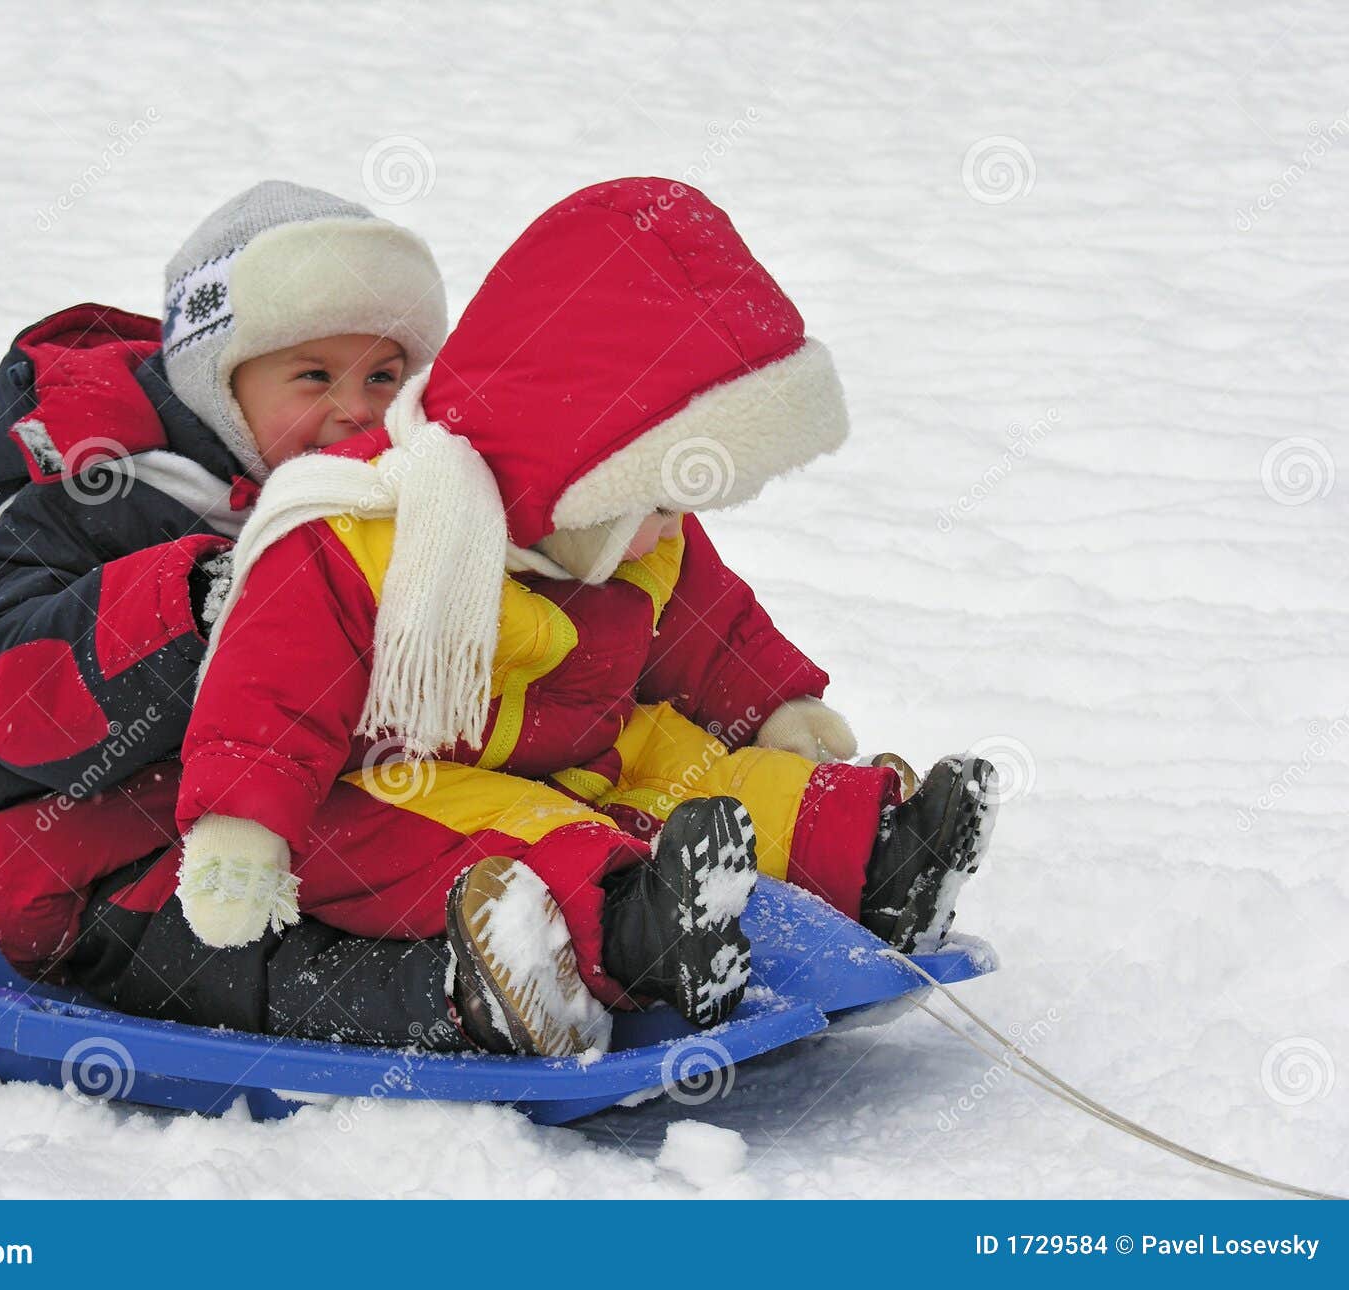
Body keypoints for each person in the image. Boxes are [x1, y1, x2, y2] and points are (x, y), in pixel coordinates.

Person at [171, 177, 1001, 1058]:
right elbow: (269, 690)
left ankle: (877, 855)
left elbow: (710, 630)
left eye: (383, 374)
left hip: (580, 752)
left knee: (694, 766)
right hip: (399, 782)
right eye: (662, 503)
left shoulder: (628, 526)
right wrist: (241, 826)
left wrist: (777, 705)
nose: (674, 527)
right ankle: (649, 932)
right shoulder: (355, 528)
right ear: (577, 470)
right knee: (525, 839)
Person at [0, 181, 605, 1055]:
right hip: (85, 853)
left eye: (383, 377)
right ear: (219, 388)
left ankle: (595, 918)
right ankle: (460, 997)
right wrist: (206, 603)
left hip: (281, 810)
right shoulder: (99, 500)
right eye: (314, 376)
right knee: (241, 937)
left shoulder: (371, 509)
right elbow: (11, 694)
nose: (357, 408)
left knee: (396, 830)